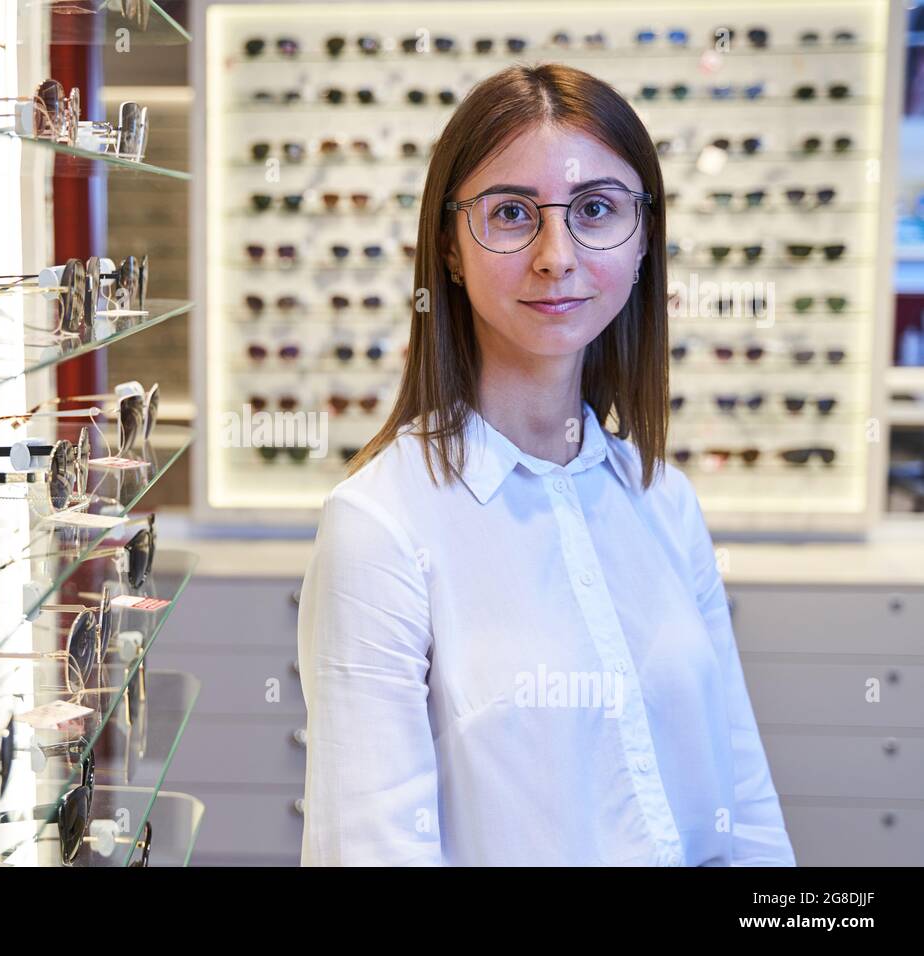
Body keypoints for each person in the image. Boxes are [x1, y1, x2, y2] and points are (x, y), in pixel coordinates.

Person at [296, 63, 796, 867]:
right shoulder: (380, 528)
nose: (556, 255)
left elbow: (744, 799)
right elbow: (373, 849)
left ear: (643, 243)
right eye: (510, 214)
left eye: (596, 209)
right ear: (451, 251)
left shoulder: (663, 499)